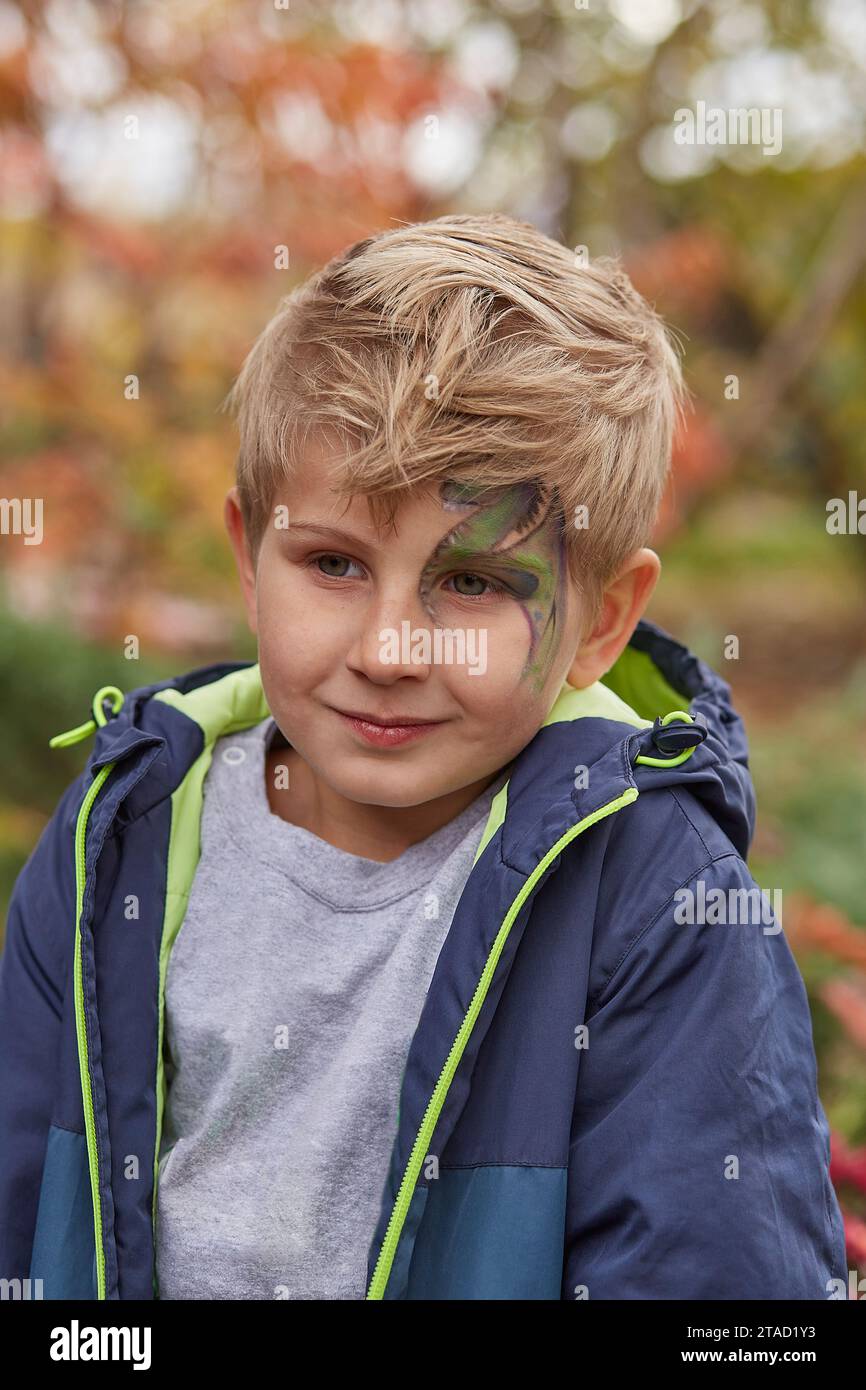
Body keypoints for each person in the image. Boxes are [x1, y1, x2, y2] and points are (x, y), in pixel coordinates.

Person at [0, 214, 847, 1300]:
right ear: (249, 560)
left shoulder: (656, 901)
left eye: (473, 583)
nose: (388, 650)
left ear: (601, 620)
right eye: (334, 564)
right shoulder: (116, 842)